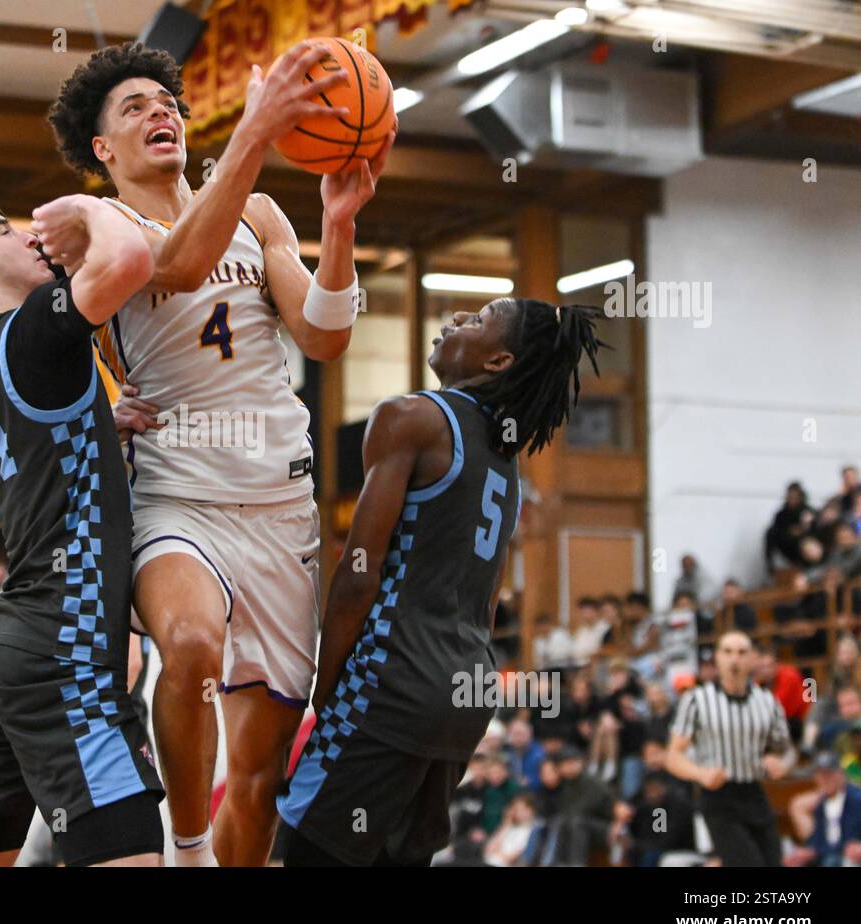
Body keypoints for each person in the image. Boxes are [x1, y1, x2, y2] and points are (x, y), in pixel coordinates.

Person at [45, 41, 391, 867]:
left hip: (280, 505)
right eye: (133, 109)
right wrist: (259, 129)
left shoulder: (260, 214)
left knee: (262, 777)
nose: (158, 113)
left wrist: (337, 226)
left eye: (166, 103)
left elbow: (325, 333)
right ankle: (189, 847)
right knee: (192, 643)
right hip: (177, 493)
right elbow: (178, 262)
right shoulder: (105, 228)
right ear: (103, 150)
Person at [276, 297, 605, 866]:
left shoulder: (412, 418)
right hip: (463, 696)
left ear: (499, 361)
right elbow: (490, 605)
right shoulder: (507, 463)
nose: (455, 320)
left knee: (303, 854)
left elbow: (359, 573)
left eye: (476, 321)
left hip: (392, 684)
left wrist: (326, 692)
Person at [0, 193, 164, 867]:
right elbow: (129, 256)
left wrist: (107, 424)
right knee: (134, 854)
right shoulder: (33, 331)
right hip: (60, 653)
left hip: (8, 658)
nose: (31, 239)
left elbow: (51, 450)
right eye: (5, 231)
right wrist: (90, 204)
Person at [665, 630, 795, 867]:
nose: (734, 659)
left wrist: (781, 764)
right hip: (718, 795)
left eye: (742, 652)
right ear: (717, 658)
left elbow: (787, 750)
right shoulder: (697, 699)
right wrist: (700, 773)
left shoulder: (767, 701)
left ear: (752, 659)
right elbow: (673, 756)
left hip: (754, 790)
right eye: (727, 652)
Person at [785, 751, 861, 867]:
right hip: (828, 854)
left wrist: (814, 851)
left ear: (840, 774)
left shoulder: (855, 800)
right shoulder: (822, 803)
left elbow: (846, 841)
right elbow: (819, 837)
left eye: (828, 775)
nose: (824, 780)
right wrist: (807, 852)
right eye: (819, 775)